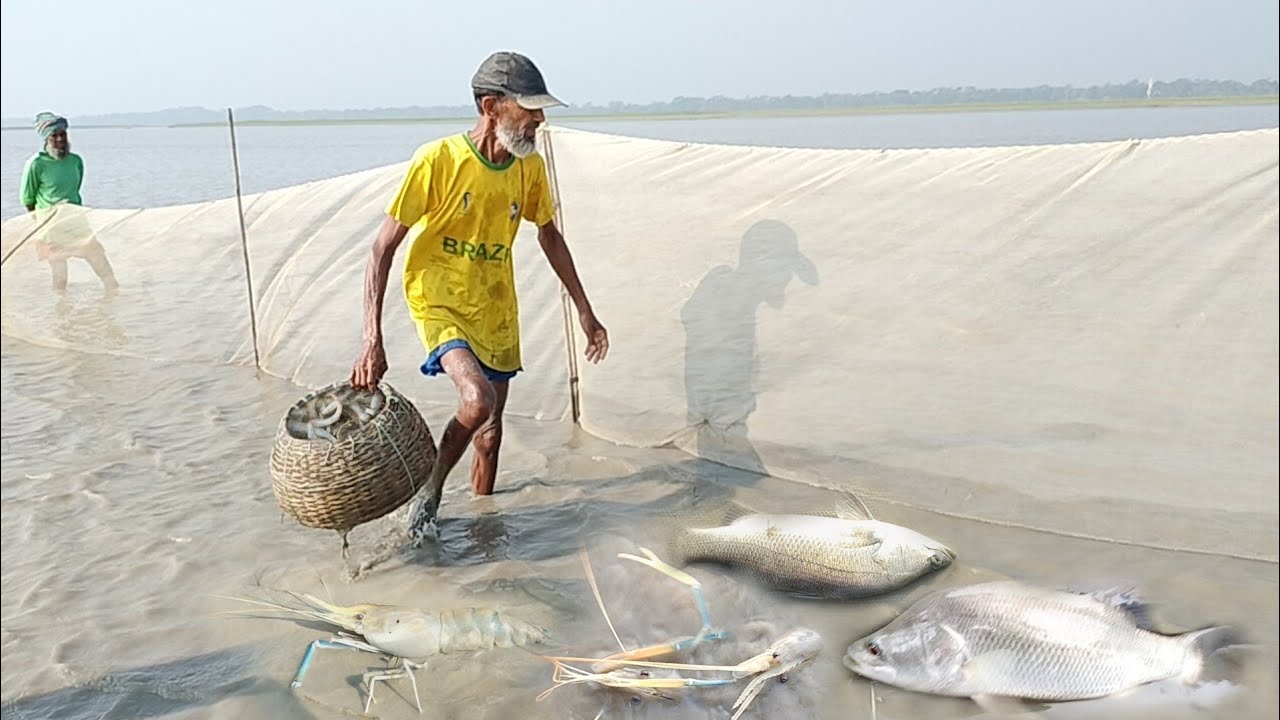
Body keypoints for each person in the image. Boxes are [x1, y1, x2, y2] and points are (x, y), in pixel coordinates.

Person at [350, 51, 609, 544]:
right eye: (528, 109)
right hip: (439, 297)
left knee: (490, 435)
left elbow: (549, 236)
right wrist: (371, 340)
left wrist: (585, 311)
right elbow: (383, 247)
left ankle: (483, 536)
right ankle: (429, 489)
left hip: (494, 307)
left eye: (540, 110)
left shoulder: (527, 168)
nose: (539, 119)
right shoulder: (438, 161)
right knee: (477, 399)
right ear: (491, 107)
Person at [20, 112, 118, 292]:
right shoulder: (36, 164)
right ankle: (61, 312)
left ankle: (113, 297)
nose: (59, 139)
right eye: (54, 135)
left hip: (77, 223)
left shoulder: (75, 161)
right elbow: (27, 199)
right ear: (46, 139)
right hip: (50, 227)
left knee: (99, 260)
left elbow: (75, 189)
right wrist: (41, 223)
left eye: (62, 134)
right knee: (60, 275)